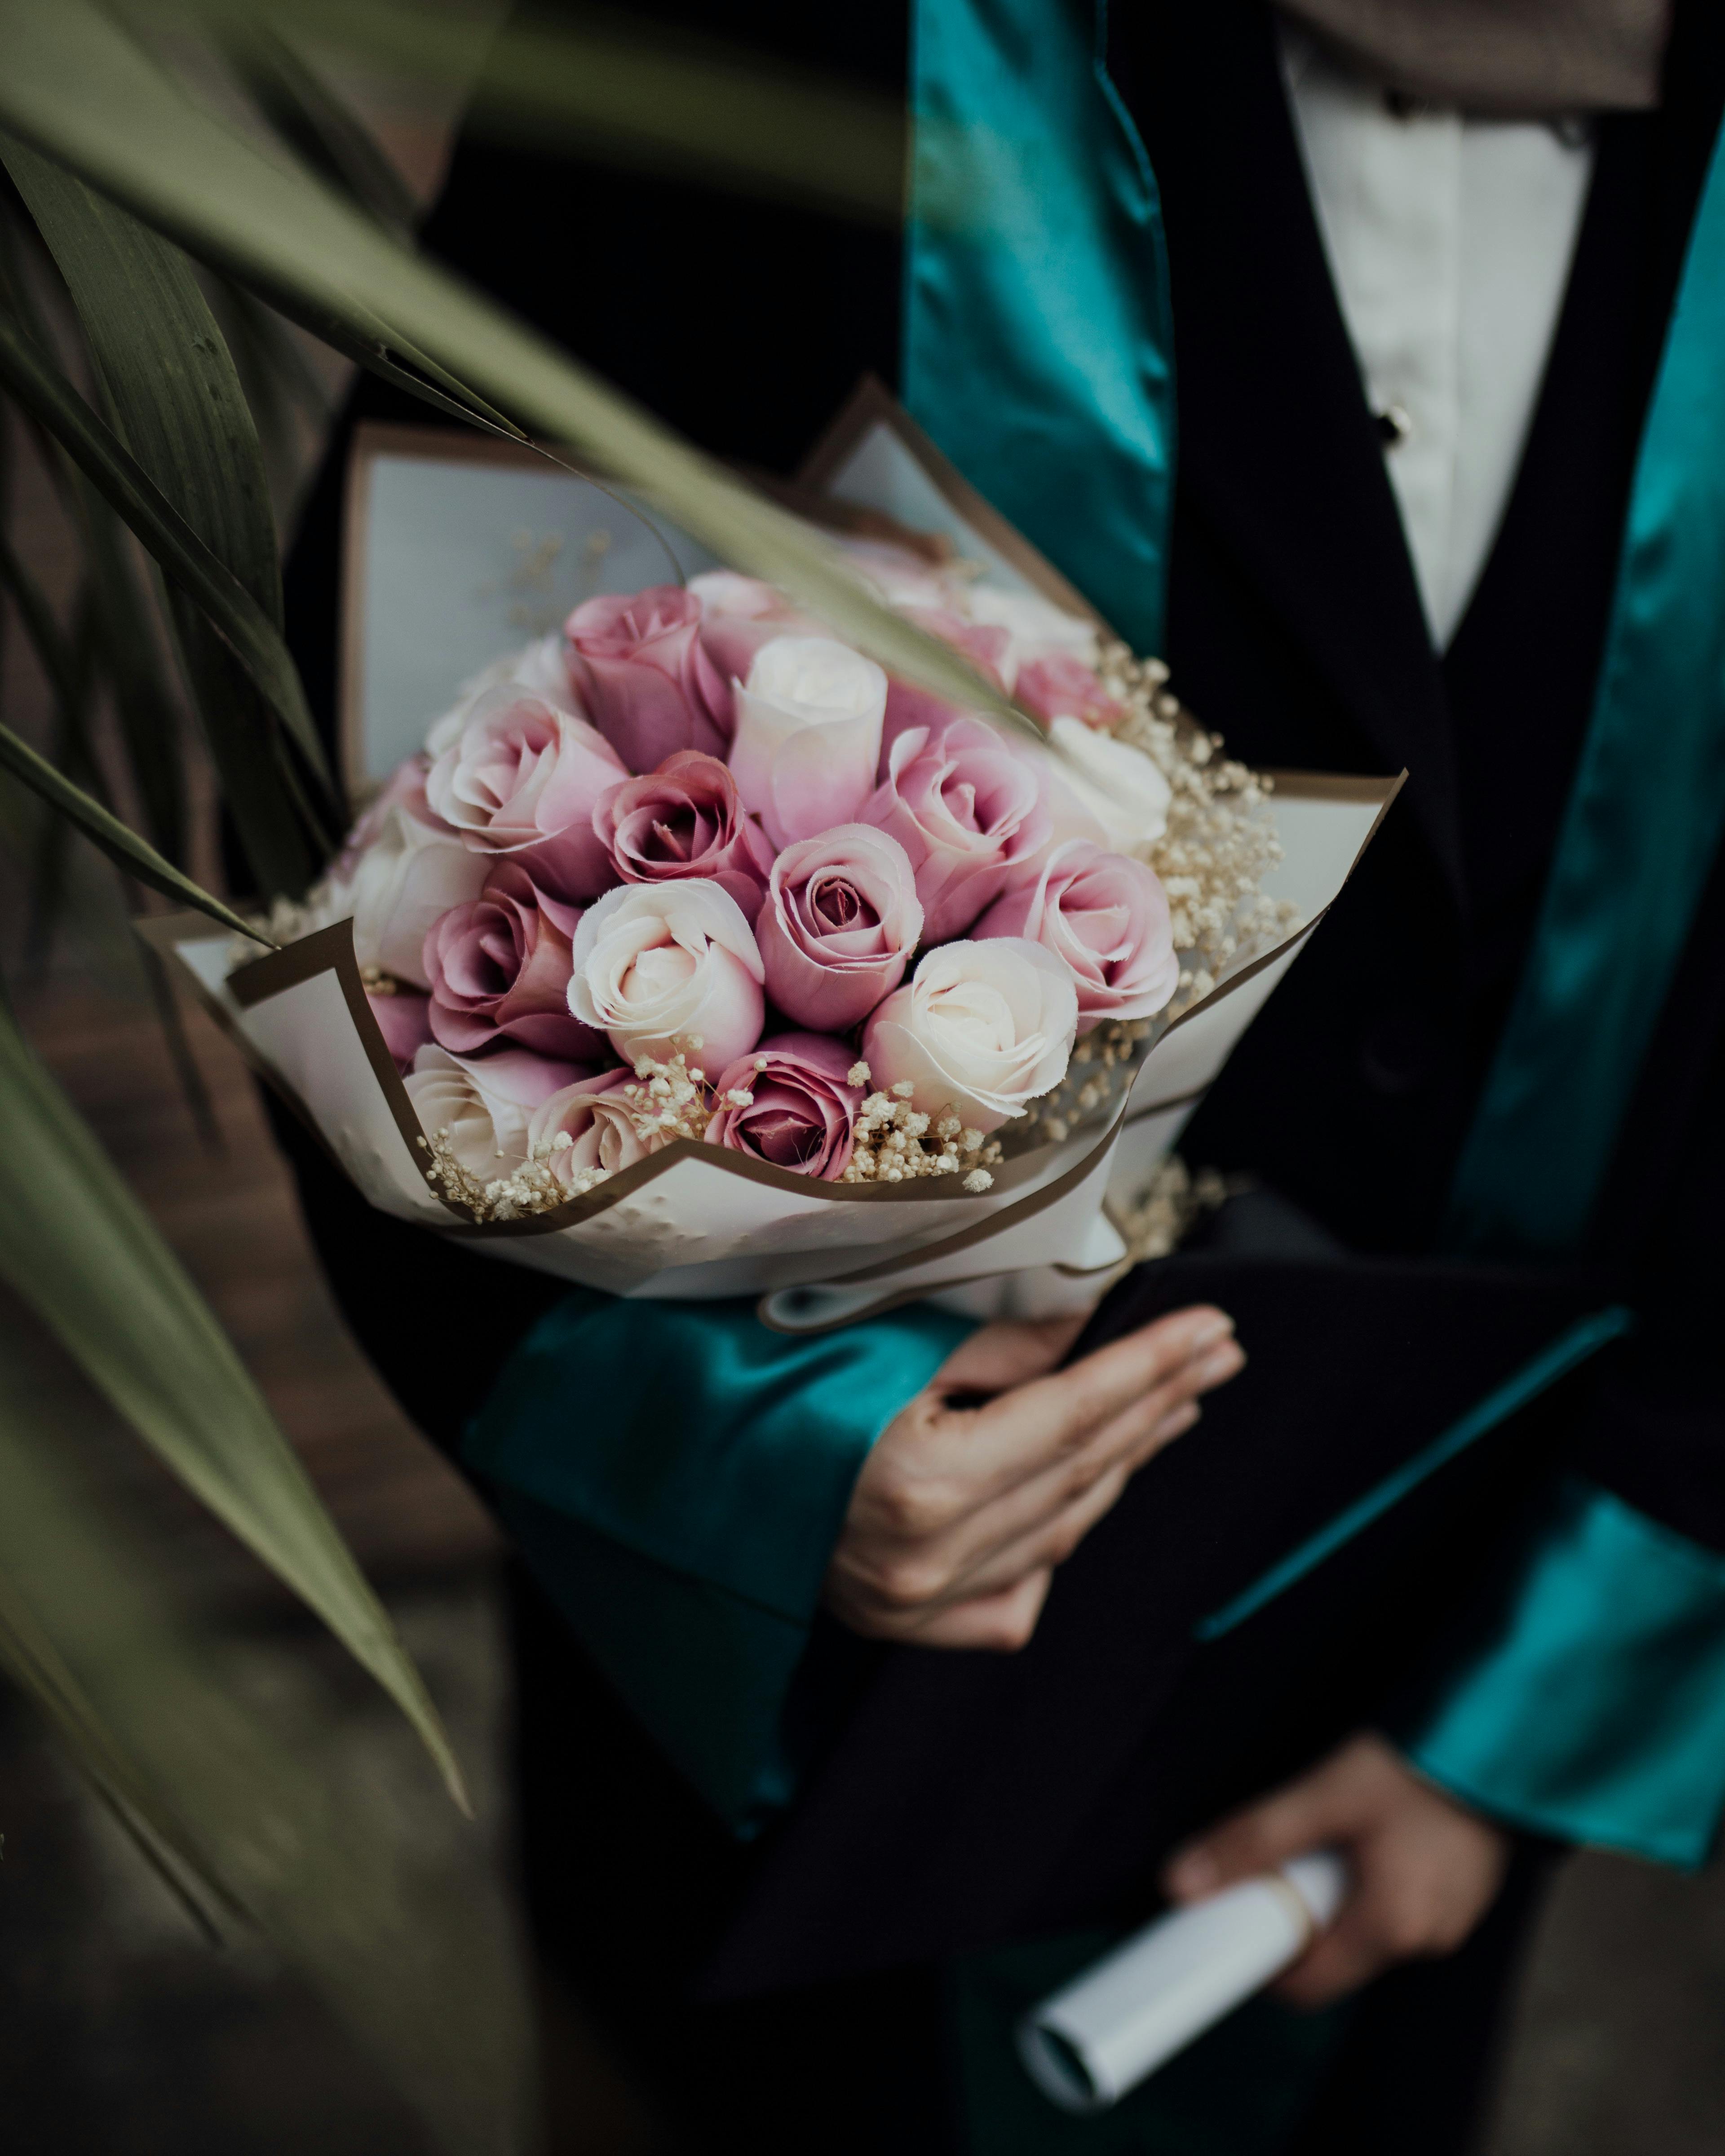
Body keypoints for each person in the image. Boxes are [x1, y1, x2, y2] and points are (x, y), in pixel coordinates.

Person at [275, 1, 1725, 2149]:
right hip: (788, 1696)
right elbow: (412, 819)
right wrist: (768, 1461)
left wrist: (1524, 1715)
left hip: (1417, 1667)